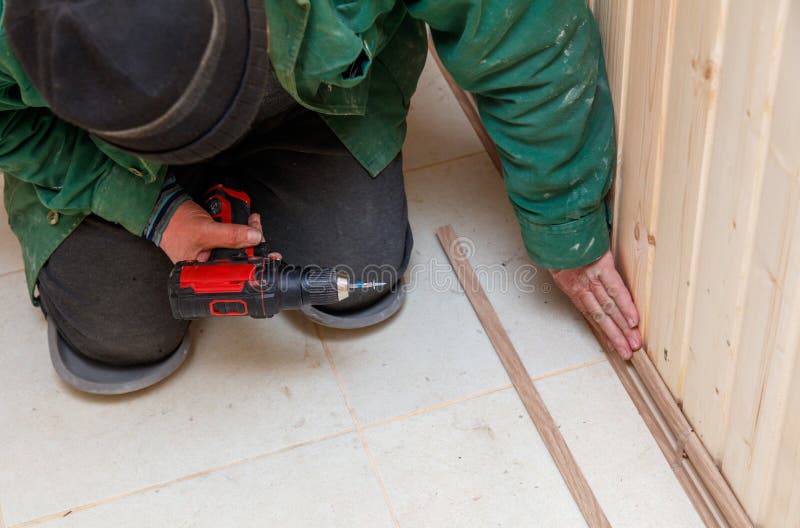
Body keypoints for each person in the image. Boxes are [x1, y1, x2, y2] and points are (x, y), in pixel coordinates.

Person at [0, 0, 641, 395]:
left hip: (303, 102)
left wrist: (565, 221)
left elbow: (521, 31)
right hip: (103, 154)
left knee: (360, 276)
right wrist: (152, 210)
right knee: (122, 337)